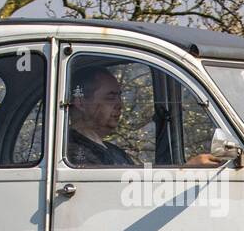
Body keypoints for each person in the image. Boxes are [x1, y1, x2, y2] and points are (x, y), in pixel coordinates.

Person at [67, 64, 220, 167]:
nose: (120, 104)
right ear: (81, 102)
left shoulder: (112, 150)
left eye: (120, 96)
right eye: (110, 97)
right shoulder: (74, 153)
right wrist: (186, 171)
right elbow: (121, 197)